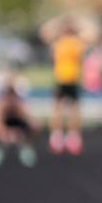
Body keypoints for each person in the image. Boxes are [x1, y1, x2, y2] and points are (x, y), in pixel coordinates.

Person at [41, 19, 87, 155]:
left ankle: (73, 136)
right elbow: (44, 32)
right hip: (61, 79)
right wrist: (59, 22)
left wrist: (77, 24)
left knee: (74, 109)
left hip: (73, 80)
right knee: (58, 109)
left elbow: (93, 34)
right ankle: (57, 136)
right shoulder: (59, 43)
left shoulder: (76, 43)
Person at [0, 79, 37, 168]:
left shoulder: (19, 105)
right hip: (2, 135)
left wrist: (18, 133)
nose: (10, 99)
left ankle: (25, 149)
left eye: (12, 96)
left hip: (18, 132)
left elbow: (31, 122)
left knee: (33, 128)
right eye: (8, 96)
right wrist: (5, 133)